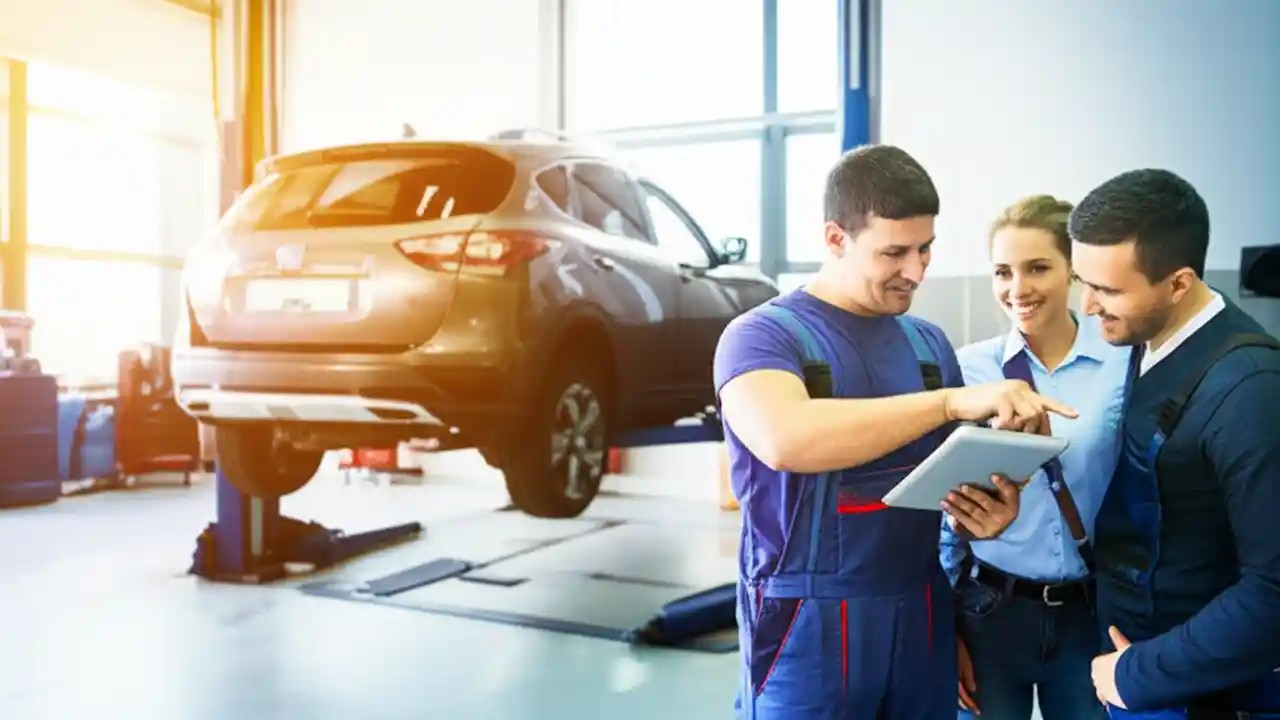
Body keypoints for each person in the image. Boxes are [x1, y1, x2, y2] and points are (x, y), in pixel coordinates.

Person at [713, 144, 1078, 720]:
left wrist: (986, 512)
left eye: (925, 249)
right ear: (836, 239)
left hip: (922, 612)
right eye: (894, 252)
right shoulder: (760, 337)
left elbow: (946, 493)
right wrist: (948, 402)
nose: (916, 270)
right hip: (805, 626)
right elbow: (787, 439)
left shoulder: (928, 344)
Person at [1068, 169, 1280, 718]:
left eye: (1108, 291)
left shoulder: (1250, 390)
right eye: (1082, 282)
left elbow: (1274, 590)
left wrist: (1139, 674)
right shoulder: (1145, 341)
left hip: (1193, 688)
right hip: (1133, 669)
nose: (1088, 307)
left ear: (1179, 283)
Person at [941, 195, 1131, 720]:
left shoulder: (1121, 362)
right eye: (1003, 271)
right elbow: (945, 508)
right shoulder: (968, 371)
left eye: (1037, 268)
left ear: (1073, 270)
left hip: (1088, 612)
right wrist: (945, 625)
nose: (1017, 289)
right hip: (989, 611)